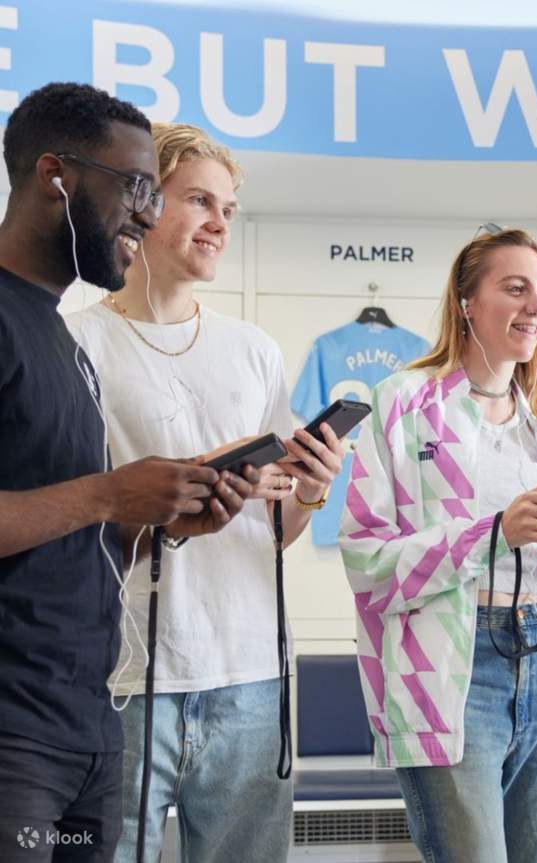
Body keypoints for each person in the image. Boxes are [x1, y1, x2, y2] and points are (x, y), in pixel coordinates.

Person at [64, 122, 346, 863]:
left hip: (253, 676)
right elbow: (74, 517)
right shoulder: (78, 342)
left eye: (228, 208)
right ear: (142, 201)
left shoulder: (254, 350)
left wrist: (308, 491)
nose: (220, 223)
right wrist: (192, 478)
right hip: (126, 679)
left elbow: (267, 529)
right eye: (199, 200)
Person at [0, 83, 255, 861]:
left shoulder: (61, 341)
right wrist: (113, 491)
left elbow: (75, 540)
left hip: (87, 728)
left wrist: (154, 520)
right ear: (56, 176)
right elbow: (85, 500)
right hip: (13, 740)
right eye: (136, 187)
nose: (146, 215)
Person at [338, 226, 537, 863]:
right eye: (515, 289)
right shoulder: (400, 402)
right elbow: (367, 561)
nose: (535, 307)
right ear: (466, 302)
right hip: (449, 668)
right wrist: (492, 534)